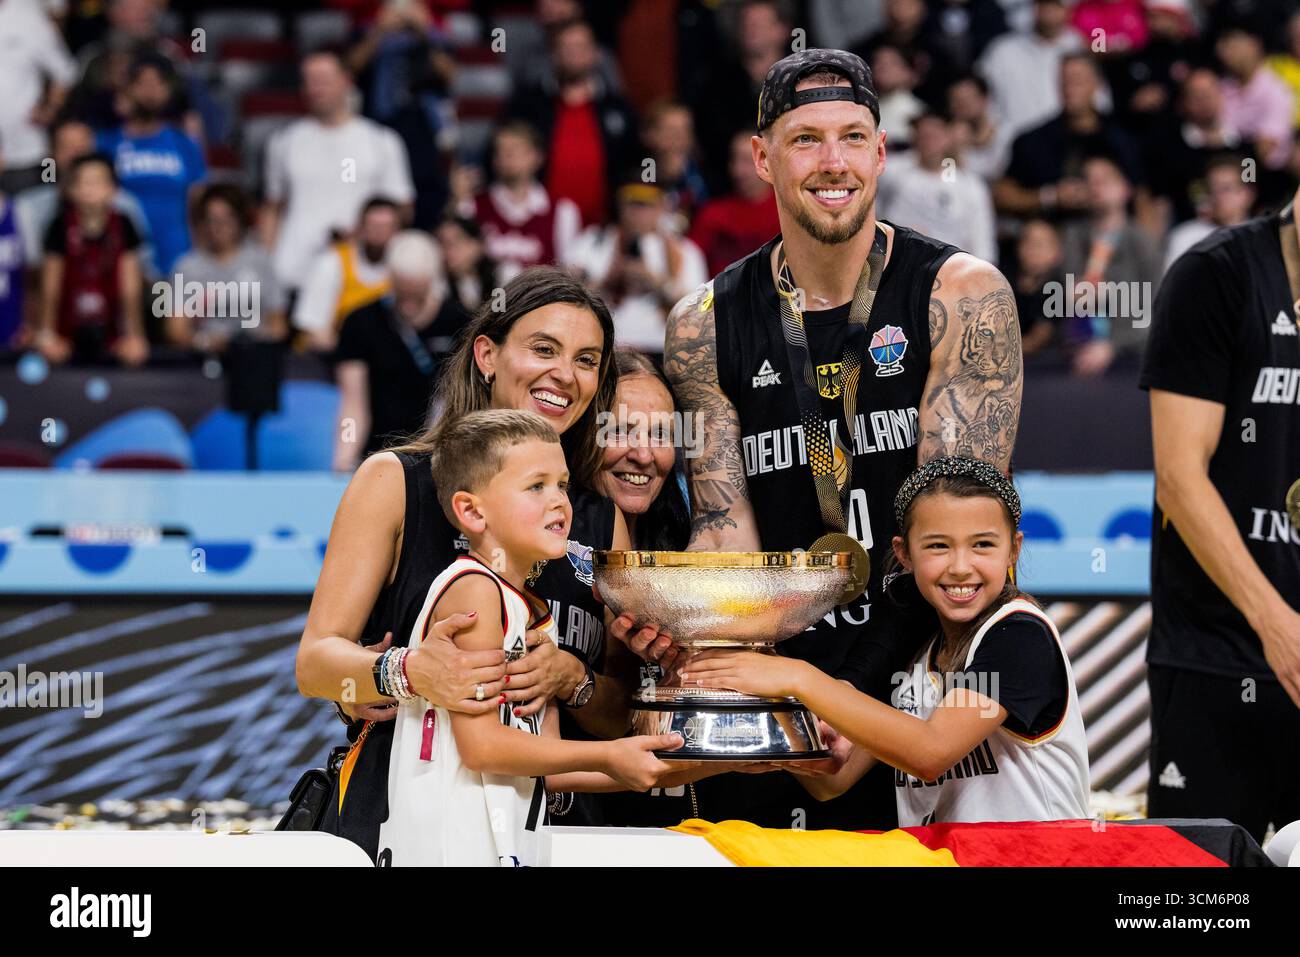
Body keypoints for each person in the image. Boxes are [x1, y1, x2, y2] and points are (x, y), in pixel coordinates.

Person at [637, 49, 1024, 831]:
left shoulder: (963, 295)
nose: (833, 162)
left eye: (853, 136)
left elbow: (952, 547)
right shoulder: (702, 323)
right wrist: (722, 670)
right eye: (807, 138)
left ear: (882, 152)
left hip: (920, 695)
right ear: (762, 158)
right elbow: (724, 532)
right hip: (773, 699)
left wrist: (844, 695)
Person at [297, 267, 641, 859]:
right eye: (543, 349)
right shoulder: (395, 481)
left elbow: (625, 714)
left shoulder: (598, 518)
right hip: (402, 826)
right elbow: (315, 665)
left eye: (587, 359)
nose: (565, 373)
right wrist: (407, 672)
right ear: (486, 354)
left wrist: (574, 681)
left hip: (555, 832)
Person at [681, 457, 1090, 826]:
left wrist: (795, 677)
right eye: (938, 546)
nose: (961, 567)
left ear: (1013, 549)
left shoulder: (1017, 636)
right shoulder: (916, 656)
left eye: (983, 544)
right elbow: (833, 780)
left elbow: (930, 753)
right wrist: (756, 689)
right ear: (904, 554)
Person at [376, 409, 683, 866]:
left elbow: (549, 768)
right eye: (535, 486)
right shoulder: (475, 590)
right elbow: (482, 748)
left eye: (561, 484)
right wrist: (610, 754)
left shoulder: (526, 607)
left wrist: (696, 765)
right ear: (472, 511)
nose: (559, 501)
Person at [1137, 187, 1300, 844]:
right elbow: (1179, 479)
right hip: (1217, 656)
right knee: (1196, 908)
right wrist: (1278, 625)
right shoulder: (1218, 273)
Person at [262, 49, 415, 302]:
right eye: (308, 81)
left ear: (346, 80)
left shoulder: (381, 141)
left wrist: (364, 233)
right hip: (293, 274)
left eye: (322, 80)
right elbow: (272, 209)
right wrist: (266, 265)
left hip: (361, 279)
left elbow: (403, 210)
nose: (315, 88)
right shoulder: (284, 142)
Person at [332, 230, 466, 469]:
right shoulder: (361, 322)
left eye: (416, 292)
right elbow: (353, 404)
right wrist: (344, 457)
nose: (408, 303)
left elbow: (458, 400)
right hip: (377, 454)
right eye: (401, 291)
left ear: (432, 279)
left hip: (436, 453)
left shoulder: (459, 321)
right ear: (390, 278)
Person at [503, 18, 637, 229]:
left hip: (603, 229)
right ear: (553, 53)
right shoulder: (528, 105)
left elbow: (634, 165)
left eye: (580, 47)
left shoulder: (618, 108)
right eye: (565, 47)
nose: (573, 54)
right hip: (540, 229)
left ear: (596, 53)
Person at [568, 176, 708, 354]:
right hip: (605, 345)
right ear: (620, 205)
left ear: (661, 208)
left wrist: (656, 282)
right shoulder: (594, 241)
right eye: (632, 204)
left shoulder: (684, 250)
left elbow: (698, 310)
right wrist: (608, 279)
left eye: (646, 205)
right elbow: (570, 296)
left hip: (660, 348)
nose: (638, 212)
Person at [96, 53, 207, 277]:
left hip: (178, 261)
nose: (151, 92)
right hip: (122, 262)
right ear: (128, 90)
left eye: (158, 84)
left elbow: (198, 203)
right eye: (143, 84)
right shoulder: (106, 144)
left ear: (168, 92)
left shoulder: (184, 144)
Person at [34, 154, 147, 367]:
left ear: (113, 189)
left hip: (112, 330)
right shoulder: (58, 226)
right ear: (71, 190)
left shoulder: (124, 224)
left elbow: (130, 289)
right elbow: (50, 288)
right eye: (84, 182)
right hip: (66, 330)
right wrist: (47, 335)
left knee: (132, 353)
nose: (90, 188)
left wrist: (134, 335)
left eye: (98, 181)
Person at [1057, 154, 1162, 377]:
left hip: (1130, 358)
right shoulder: (1073, 236)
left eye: (1105, 180)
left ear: (1125, 189)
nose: (1095, 187)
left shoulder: (1141, 241)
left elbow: (1155, 309)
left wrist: (1112, 345)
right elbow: (1063, 296)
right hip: (1075, 353)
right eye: (1089, 181)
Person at [452, 121, 581, 281]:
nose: (505, 156)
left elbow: (570, 273)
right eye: (499, 150)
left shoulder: (562, 211)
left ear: (537, 156)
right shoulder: (472, 206)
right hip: (487, 301)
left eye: (513, 150)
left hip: (540, 301)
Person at [165, 184, 286, 353]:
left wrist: (258, 341)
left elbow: (278, 323)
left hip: (255, 358)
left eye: (226, 219)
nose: (219, 227)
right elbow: (176, 329)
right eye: (212, 219)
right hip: (203, 360)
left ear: (240, 220)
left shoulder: (260, 262)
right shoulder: (187, 267)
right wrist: (204, 342)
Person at [877, 110, 997, 265]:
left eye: (935, 136)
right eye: (924, 136)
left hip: (949, 270)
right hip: (895, 263)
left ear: (948, 137)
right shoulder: (889, 171)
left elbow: (983, 244)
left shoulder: (970, 186)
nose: (929, 142)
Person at [294, 196, 401, 351]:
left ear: (398, 230)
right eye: (374, 225)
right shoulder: (333, 261)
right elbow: (312, 327)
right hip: (334, 355)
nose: (379, 233)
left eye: (386, 226)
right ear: (360, 227)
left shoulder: (404, 266)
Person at [0, 0, 77, 194]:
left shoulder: (29, 18)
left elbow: (65, 72)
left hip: (33, 152)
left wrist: (50, 108)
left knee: (43, 205)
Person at [689, 129, 780, 278]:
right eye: (734, 159)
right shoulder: (713, 215)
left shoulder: (788, 212)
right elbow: (688, 260)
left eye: (746, 161)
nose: (738, 170)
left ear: (767, 161)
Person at [1161, 152, 1257, 271]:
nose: (1218, 196)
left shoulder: (1262, 241)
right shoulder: (1185, 237)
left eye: (1226, 189)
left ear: (1248, 194)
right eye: (1212, 189)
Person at [435, 214, 499, 316]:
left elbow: (502, 316)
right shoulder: (438, 286)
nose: (449, 249)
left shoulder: (501, 276)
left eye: (458, 240)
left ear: (478, 245)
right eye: (443, 242)